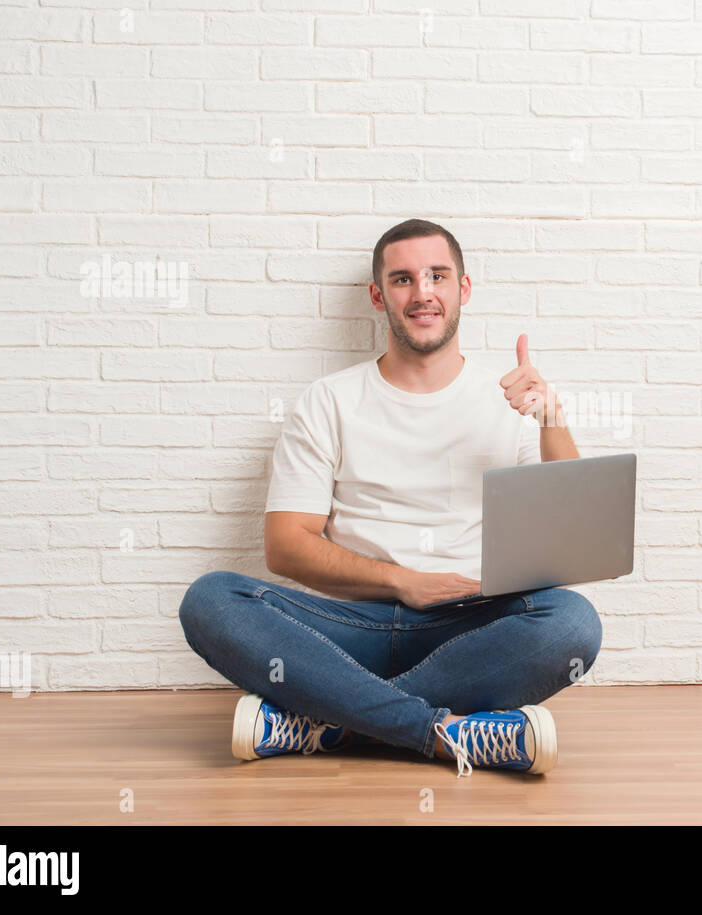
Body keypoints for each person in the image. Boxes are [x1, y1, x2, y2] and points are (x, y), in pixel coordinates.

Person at [178, 218, 603, 778]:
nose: (422, 292)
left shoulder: (513, 403)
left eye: (437, 276)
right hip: (349, 630)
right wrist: (404, 580)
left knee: (571, 622)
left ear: (463, 289)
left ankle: (325, 723)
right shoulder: (328, 401)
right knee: (211, 599)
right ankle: (440, 733)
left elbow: (569, 540)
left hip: (465, 628)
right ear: (378, 295)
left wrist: (551, 418)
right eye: (403, 279)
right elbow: (285, 548)